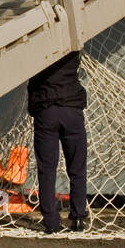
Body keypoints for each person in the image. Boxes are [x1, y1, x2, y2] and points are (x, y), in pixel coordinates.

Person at [27, 50, 89, 232]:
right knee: (77, 167)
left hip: (45, 109)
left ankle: (51, 222)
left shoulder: (36, 48)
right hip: (71, 108)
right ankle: (78, 218)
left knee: (47, 169)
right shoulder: (71, 47)